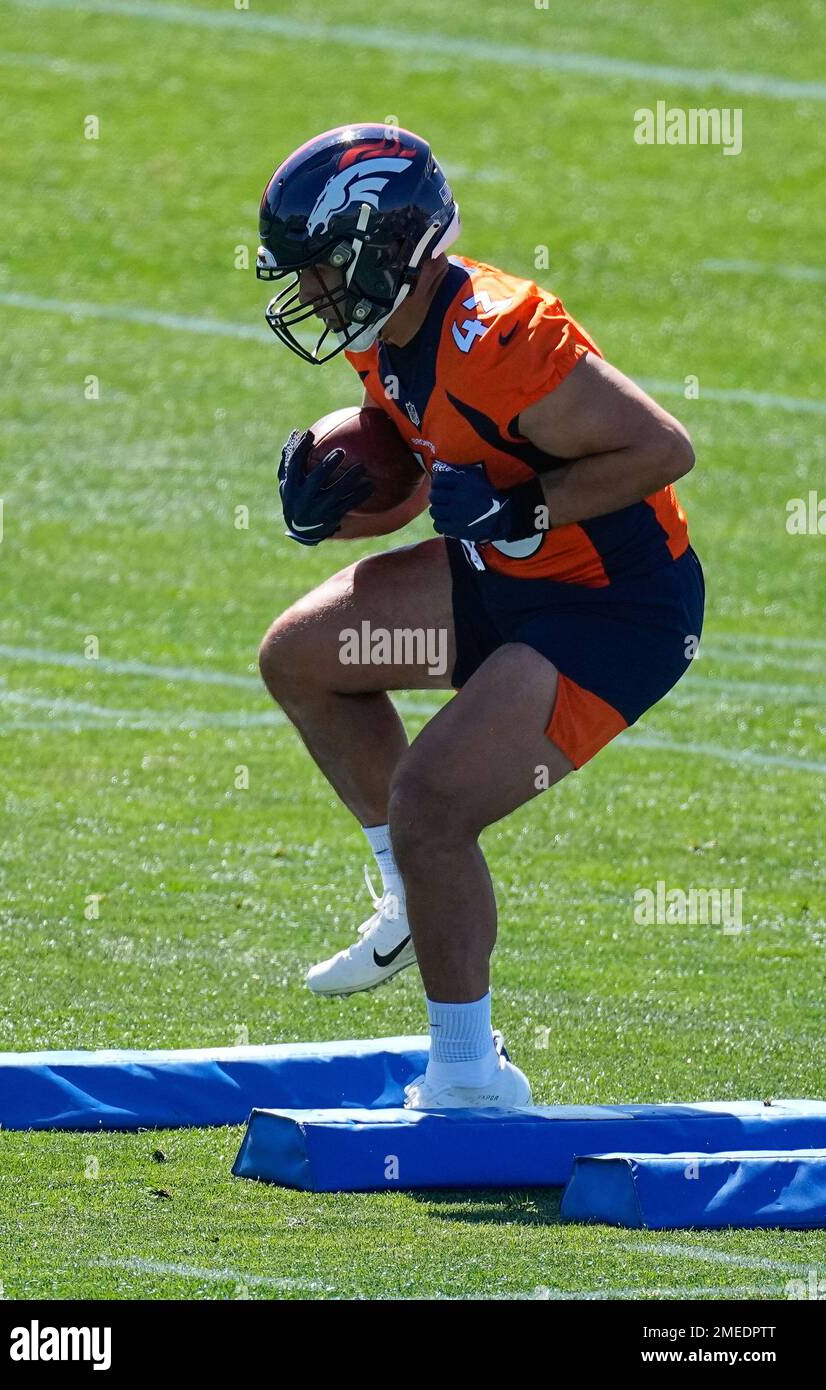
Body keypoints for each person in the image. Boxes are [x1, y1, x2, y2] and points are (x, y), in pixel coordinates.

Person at [256, 124, 704, 1109]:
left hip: (610, 603)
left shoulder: (504, 336)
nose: (316, 296)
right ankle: (407, 899)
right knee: (301, 658)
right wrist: (339, 497)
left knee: (434, 803)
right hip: (505, 567)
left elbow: (660, 450)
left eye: (325, 269)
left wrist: (526, 508)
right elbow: (425, 472)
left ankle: (466, 1073)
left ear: (387, 245)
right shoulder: (388, 336)